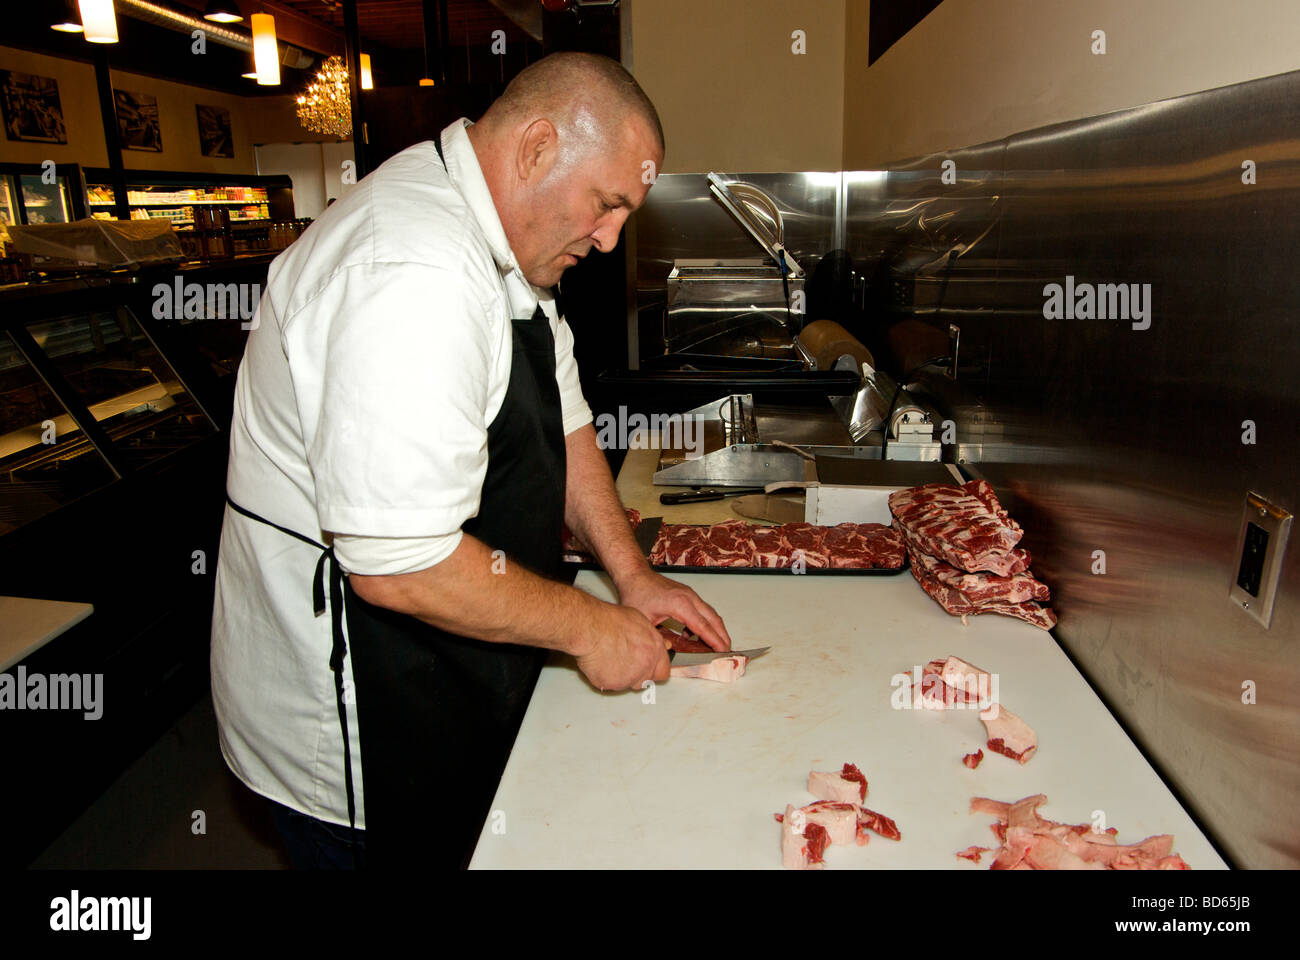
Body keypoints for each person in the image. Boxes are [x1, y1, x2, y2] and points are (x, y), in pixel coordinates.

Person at [210, 52, 731, 870]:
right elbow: (399, 563)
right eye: (607, 205)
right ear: (535, 148)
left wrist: (631, 575)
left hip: (439, 666)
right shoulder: (410, 272)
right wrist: (594, 630)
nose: (608, 240)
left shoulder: (502, 239)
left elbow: (565, 423)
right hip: (354, 716)